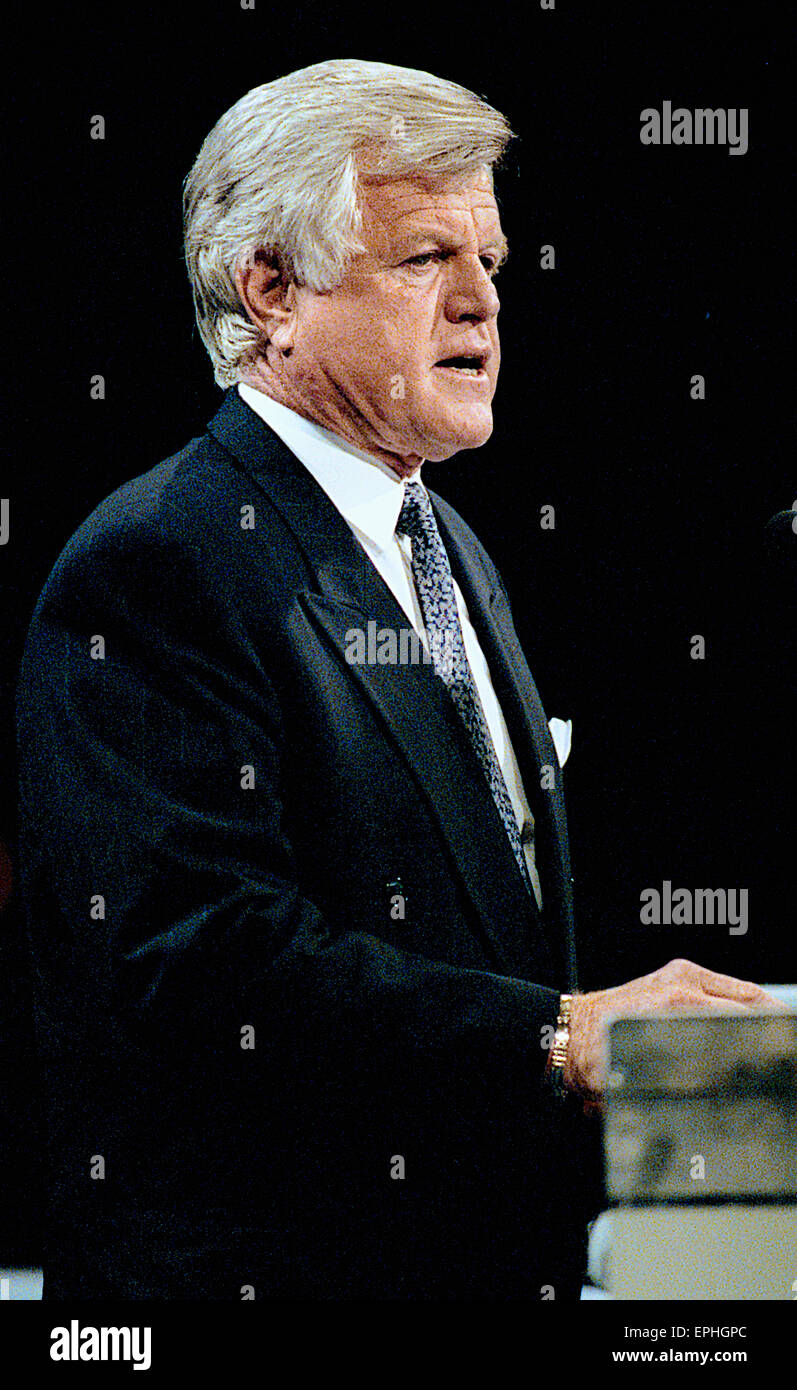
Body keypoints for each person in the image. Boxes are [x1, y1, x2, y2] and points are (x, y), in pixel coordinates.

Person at [16, 58, 778, 1300]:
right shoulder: (163, 560)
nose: (481, 302)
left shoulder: (449, 546)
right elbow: (197, 959)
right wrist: (554, 1030)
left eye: (491, 259)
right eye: (426, 259)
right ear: (271, 289)